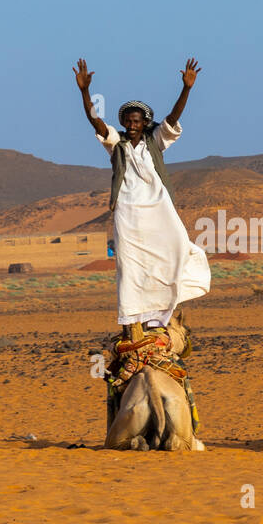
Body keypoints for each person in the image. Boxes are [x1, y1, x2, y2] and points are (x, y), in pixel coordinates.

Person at [74, 57, 210, 330]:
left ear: (146, 122)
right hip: (128, 212)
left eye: (137, 120)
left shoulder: (155, 141)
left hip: (159, 207)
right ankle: (134, 318)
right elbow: (97, 124)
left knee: (178, 247)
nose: (132, 124)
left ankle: (164, 308)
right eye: (128, 120)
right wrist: (84, 92)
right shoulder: (117, 144)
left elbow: (173, 118)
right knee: (131, 264)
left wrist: (186, 89)